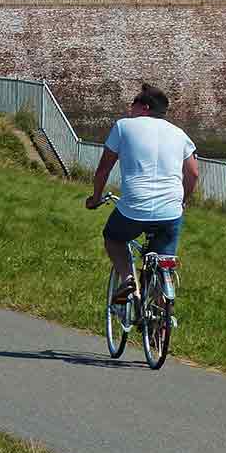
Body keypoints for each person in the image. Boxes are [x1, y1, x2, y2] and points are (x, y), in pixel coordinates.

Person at [85, 82, 199, 306]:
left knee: (113, 239)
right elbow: (193, 173)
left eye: (133, 104)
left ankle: (128, 280)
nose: (130, 108)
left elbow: (104, 168)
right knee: (163, 262)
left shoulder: (123, 127)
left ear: (145, 107)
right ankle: (162, 319)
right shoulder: (179, 134)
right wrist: (183, 200)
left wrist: (95, 198)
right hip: (170, 211)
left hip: (134, 208)